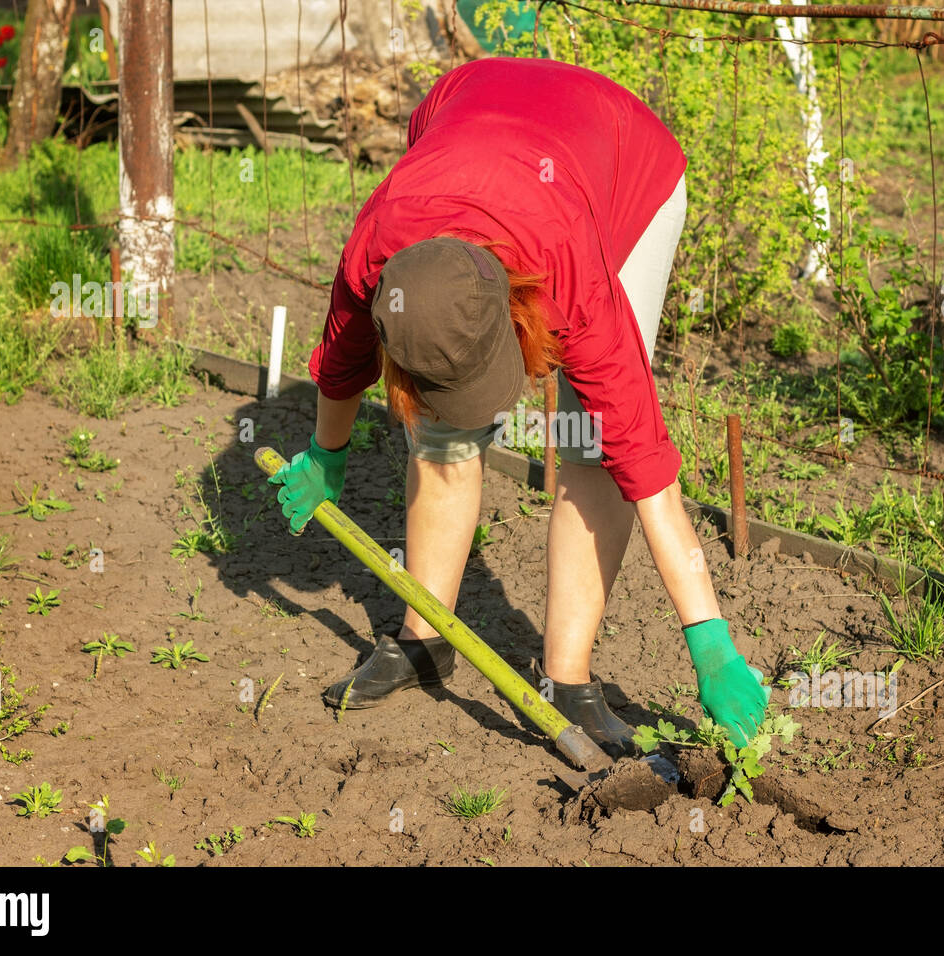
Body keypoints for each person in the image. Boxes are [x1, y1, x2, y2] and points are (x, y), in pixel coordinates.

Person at [269, 56, 768, 757]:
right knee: (439, 437)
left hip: (625, 164)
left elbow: (645, 469)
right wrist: (327, 456)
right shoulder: (378, 259)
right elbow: (343, 363)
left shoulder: (575, 286)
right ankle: (426, 636)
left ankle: (568, 681)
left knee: (590, 446)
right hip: (469, 115)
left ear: (515, 314)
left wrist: (710, 641)